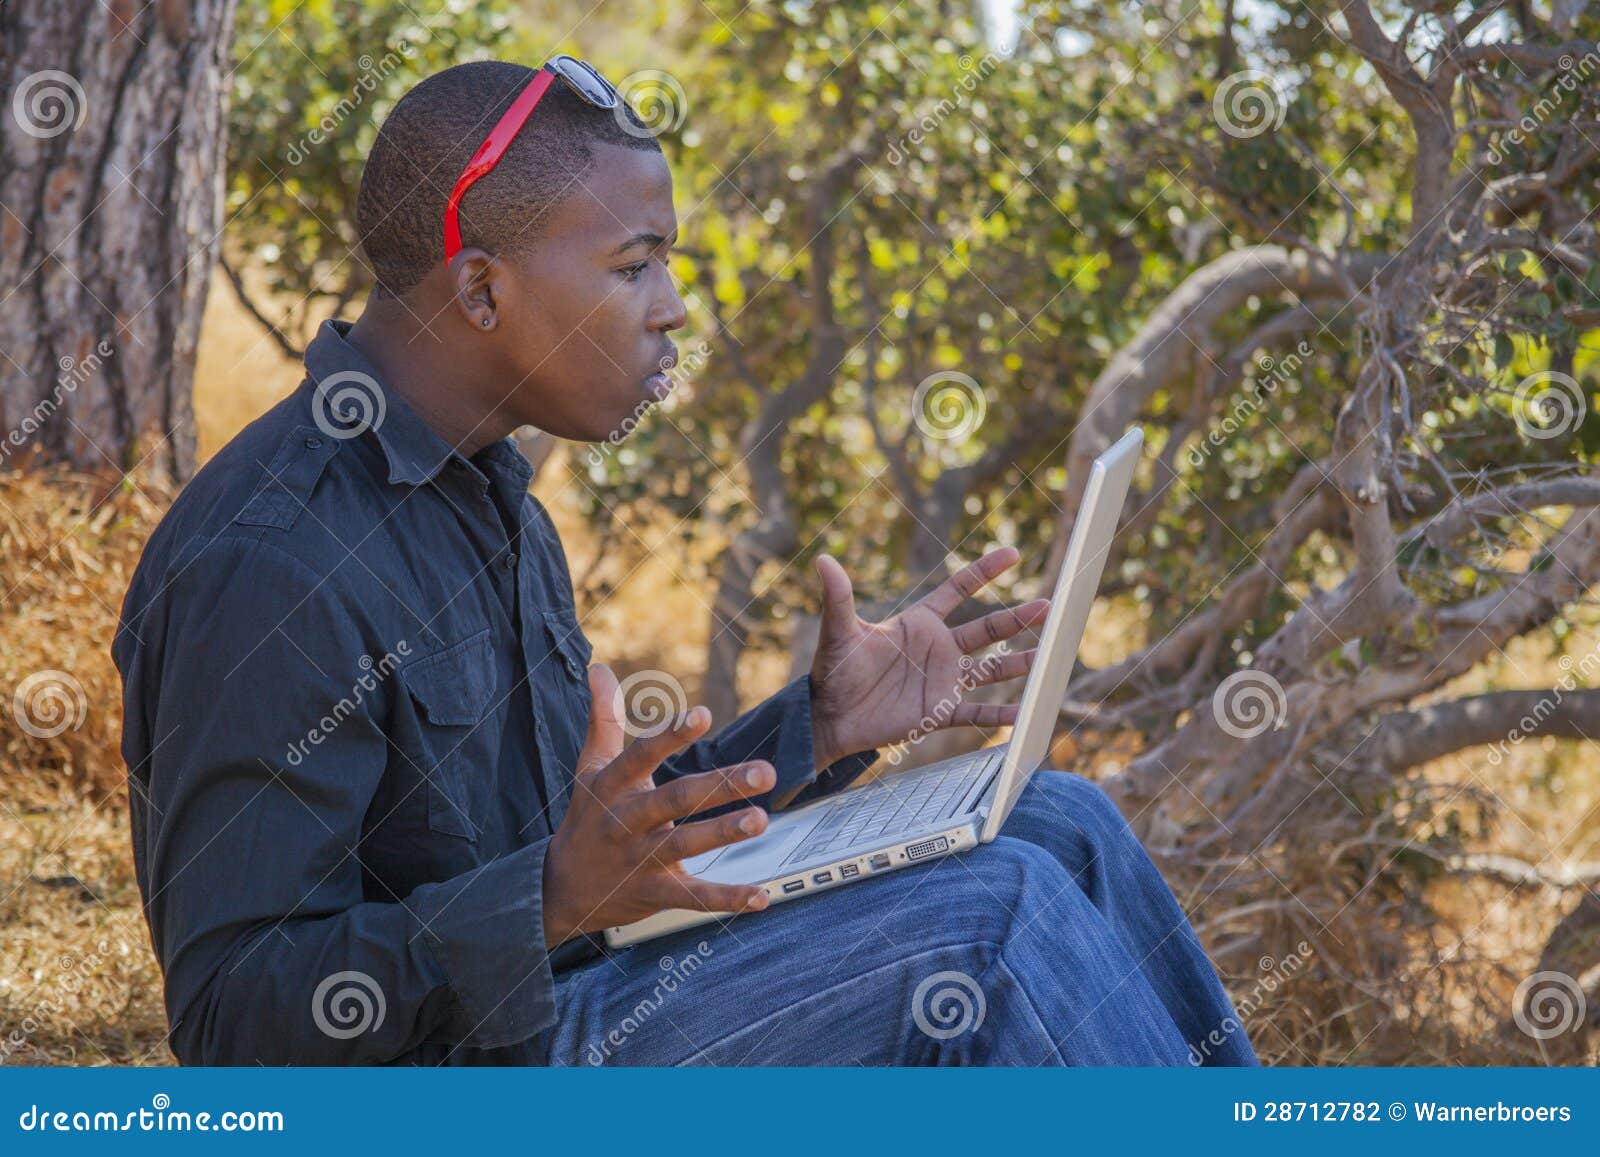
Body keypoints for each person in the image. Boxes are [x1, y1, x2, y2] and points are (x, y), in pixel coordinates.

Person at [113, 58, 1256, 1066]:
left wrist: (819, 725)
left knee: (1060, 826)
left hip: (570, 987)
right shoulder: (268, 562)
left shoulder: (488, 487)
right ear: (480, 289)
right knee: (992, 920)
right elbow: (228, 1018)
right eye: (633, 267)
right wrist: (545, 899)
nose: (672, 310)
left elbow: (589, 841)